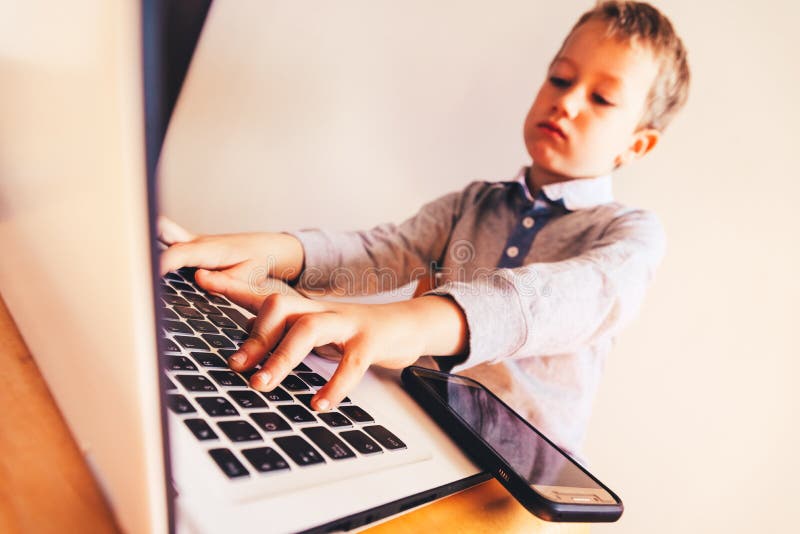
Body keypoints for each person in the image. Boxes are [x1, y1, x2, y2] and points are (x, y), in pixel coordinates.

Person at [160, 1, 690, 455]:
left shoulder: (631, 238)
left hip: (520, 476)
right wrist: (272, 251)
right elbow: (377, 252)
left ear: (637, 145)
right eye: (560, 77)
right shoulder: (474, 203)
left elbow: (548, 301)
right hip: (417, 425)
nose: (567, 101)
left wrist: (407, 323)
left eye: (602, 98)